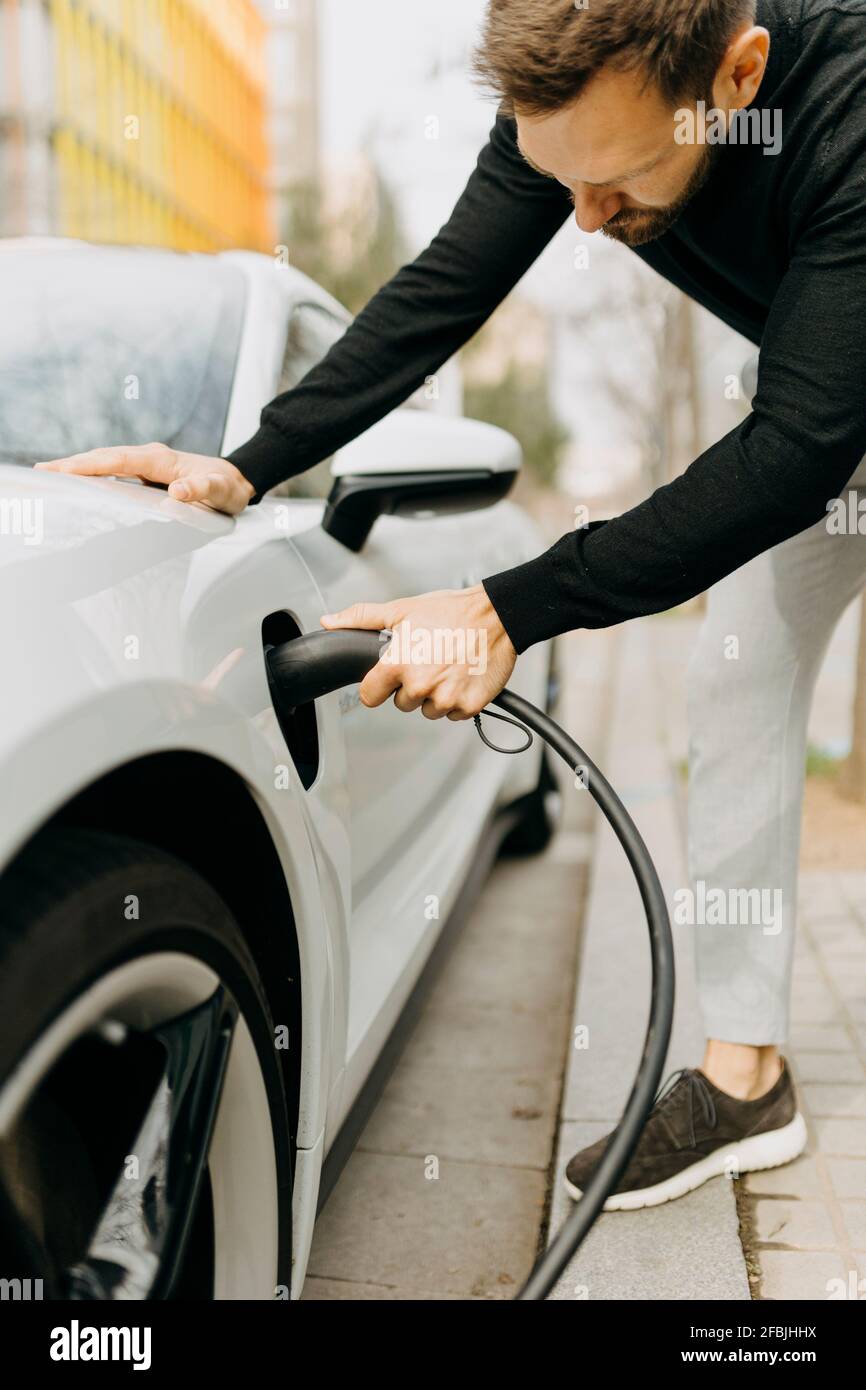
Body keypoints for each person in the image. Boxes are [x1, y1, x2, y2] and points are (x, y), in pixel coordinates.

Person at [38, 0, 866, 1208]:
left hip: (816, 407)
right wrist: (249, 462)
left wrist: (506, 607)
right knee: (733, 670)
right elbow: (441, 291)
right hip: (811, 392)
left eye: (621, 182)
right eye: (558, 181)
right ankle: (743, 1080)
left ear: (735, 80)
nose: (583, 224)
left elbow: (797, 448)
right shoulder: (588, 100)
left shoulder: (842, 109)